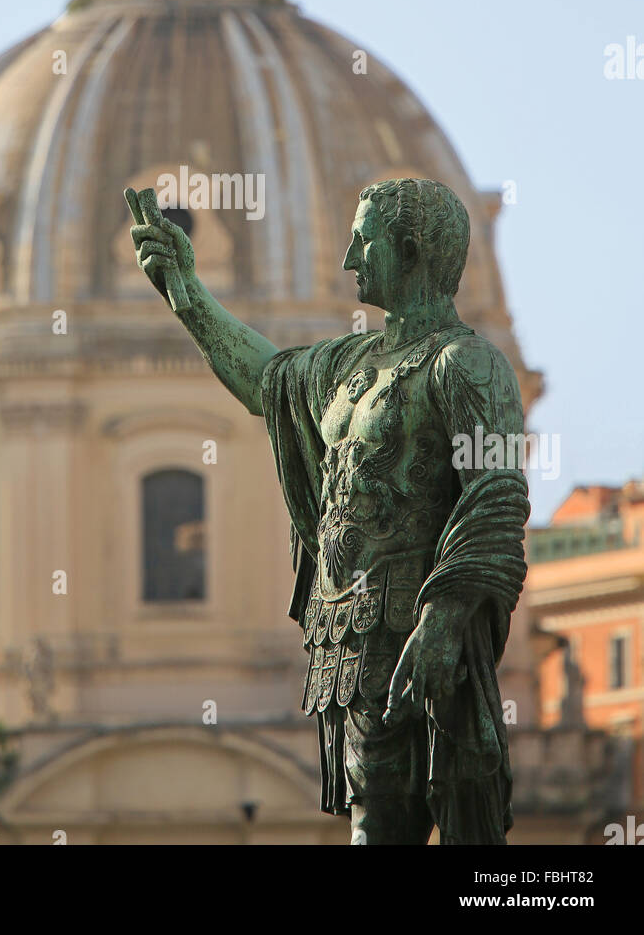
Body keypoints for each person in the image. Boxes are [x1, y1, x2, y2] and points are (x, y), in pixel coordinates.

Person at [130, 177, 530, 844]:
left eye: (362, 241)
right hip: (346, 640)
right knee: (373, 816)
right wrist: (186, 294)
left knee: (396, 823)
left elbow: (497, 495)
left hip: (419, 631)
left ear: (407, 252)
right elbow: (268, 381)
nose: (347, 259)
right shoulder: (347, 365)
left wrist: (444, 620)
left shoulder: (468, 365)